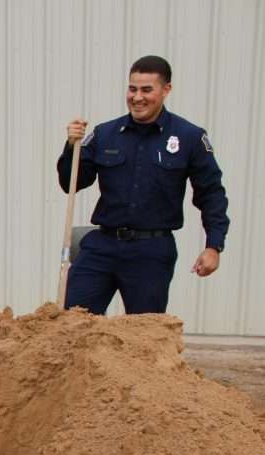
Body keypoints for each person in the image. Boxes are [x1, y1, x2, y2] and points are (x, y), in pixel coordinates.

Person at [58, 54, 230, 315]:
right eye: (132, 89)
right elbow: (72, 182)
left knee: (144, 335)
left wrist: (213, 245)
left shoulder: (189, 137)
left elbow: (211, 194)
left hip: (150, 251)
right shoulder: (105, 134)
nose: (137, 97)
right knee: (72, 321)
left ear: (166, 90)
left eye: (147, 90)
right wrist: (72, 147)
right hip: (102, 245)